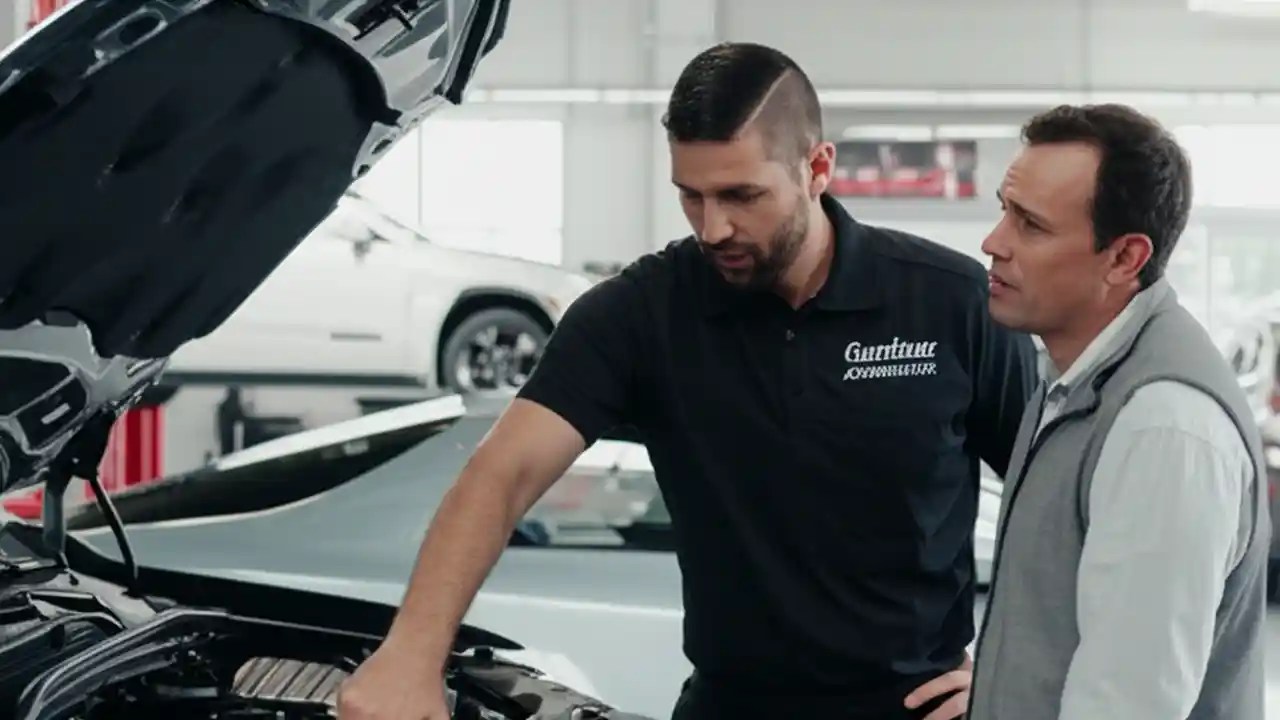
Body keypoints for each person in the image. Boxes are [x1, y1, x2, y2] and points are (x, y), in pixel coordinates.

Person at [336, 41, 1039, 720]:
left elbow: (1058, 501)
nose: (714, 228)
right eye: (691, 196)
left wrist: (1021, 670)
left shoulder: (949, 302)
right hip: (731, 704)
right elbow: (502, 475)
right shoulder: (640, 315)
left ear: (817, 167)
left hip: (915, 707)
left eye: (741, 195)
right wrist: (411, 655)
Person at [967, 103, 1269, 720]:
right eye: (1004, 210)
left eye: (1031, 225)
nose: (993, 242)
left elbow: (1128, 706)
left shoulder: (1164, 425)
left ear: (1125, 258)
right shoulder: (1069, 380)